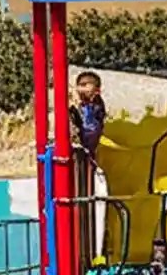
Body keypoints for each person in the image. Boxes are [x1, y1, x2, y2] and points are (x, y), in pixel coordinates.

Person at [68, 71, 109, 266]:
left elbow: (94, 125)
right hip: (81, 150)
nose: (82, 89)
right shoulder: (77, 108)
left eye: (86, 85)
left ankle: (94, 253)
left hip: (90, 148)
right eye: (80, 85)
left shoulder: (95, 106)